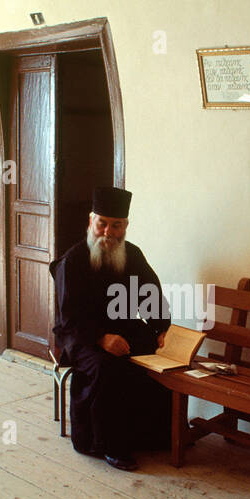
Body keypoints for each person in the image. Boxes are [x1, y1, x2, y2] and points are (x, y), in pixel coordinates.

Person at [49, 186, 173, 471]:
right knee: (109, 367)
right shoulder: (73, 261)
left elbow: (150, 295)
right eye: (102, 223)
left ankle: (157, 436)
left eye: (116, 225)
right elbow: (68, 318)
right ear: (91, 221)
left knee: (159, 355)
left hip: (124, 328)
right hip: (80, 336)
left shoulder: (133, 255)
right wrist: (100, 337)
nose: (108, 231)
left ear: (125, 227)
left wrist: (162, 328)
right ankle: (110, 445)